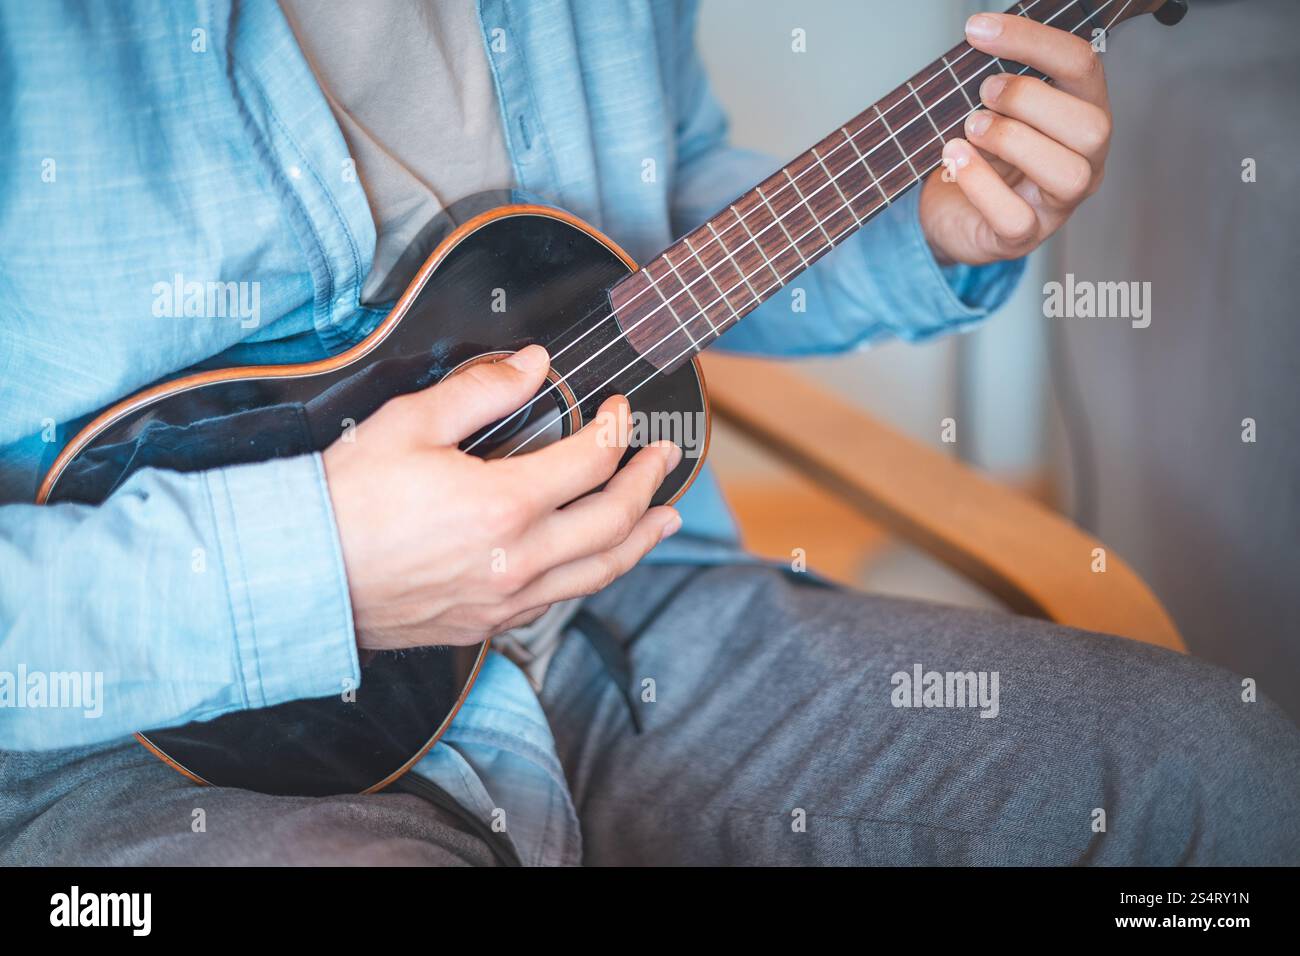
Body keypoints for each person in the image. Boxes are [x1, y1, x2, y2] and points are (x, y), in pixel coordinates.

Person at [1, 0, 1296, 866]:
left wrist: (929, 229)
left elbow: (654, 236)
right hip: (150, 744)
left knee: (1228, 783)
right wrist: (320, 568)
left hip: (618, 623)